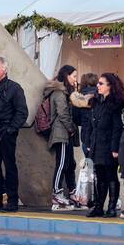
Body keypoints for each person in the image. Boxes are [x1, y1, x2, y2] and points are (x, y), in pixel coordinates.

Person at [0, 56, 28, 213]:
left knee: (9, 168)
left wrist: (10, 130)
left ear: (5, 69)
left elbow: (22, 113)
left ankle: (12, 201)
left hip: (5, 135)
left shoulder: (14, 88)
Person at [85, 73, 124, 217]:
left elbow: (117, 127)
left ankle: (112, 207)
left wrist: (115, 148)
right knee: (99, 176)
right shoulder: (96, 101)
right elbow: (91, 124)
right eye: (98, 83)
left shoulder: (117, 103)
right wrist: (89, 142)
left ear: (110, 86)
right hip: (97, 144)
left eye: (101, 83)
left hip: (109, 145)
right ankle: (98, 206)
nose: (98, 85)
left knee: (111, 175)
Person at [41, 65, 79, 210]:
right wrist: (71, 128)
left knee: (70, 163)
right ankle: (56, 192)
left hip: (65, 133)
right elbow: (62, 113)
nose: (75, 79)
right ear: (66, 76)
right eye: (74, 76)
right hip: (61, 133)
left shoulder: (65, 92)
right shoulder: (59, 92)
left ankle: (72, 191)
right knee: (62, 163)